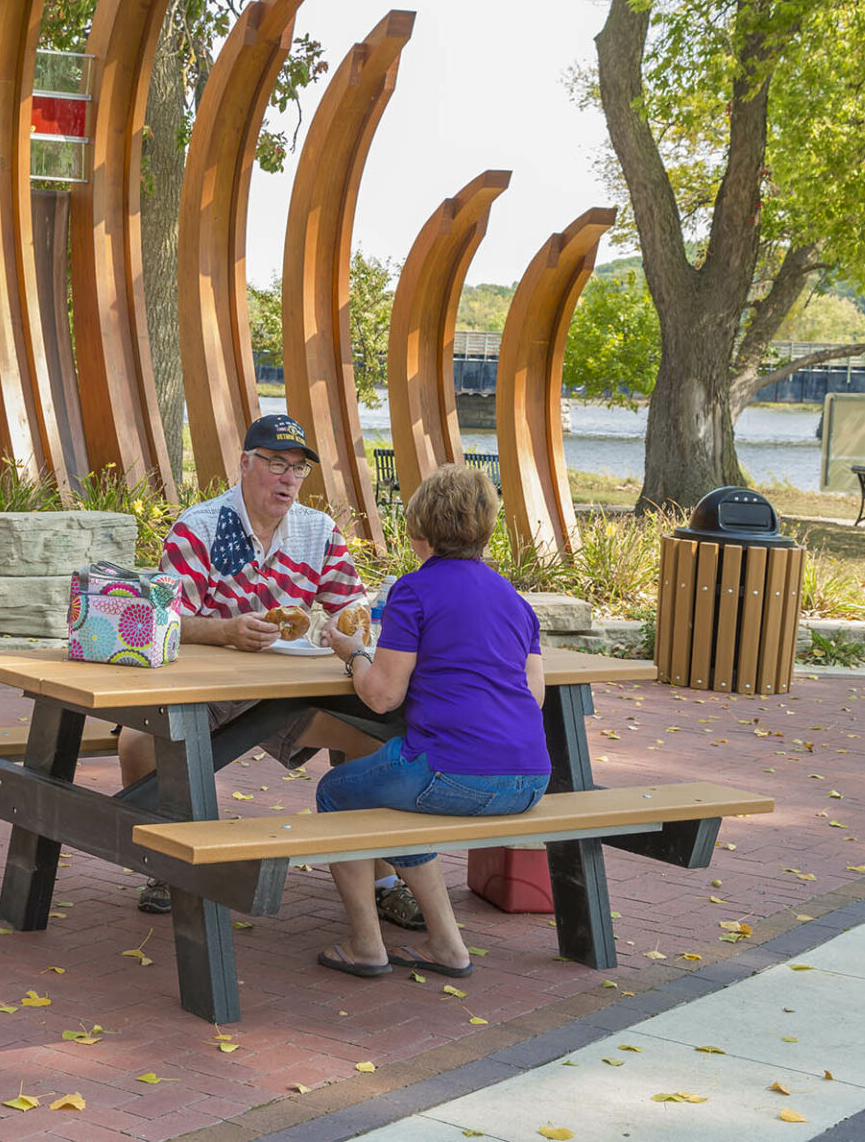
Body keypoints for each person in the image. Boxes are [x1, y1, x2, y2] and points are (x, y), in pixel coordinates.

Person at [127, 414, 416, 920]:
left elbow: (352, 612)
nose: (288, 478)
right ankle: (167, 869)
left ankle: (384, 880)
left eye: (298, 469)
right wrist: (225, 631)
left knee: (373, 740)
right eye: (276, 463)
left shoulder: (318, 531)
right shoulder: (199, 528)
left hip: (290, 692)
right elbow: (163, 617)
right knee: (140, 742)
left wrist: (347, 633)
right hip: (206, 687)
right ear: (245, 463)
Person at [315, 464, 550, 978]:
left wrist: (353, 652)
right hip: (530, 780)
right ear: (487, 527)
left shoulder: (414, 591)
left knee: (335, 793)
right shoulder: (515, 601)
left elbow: (381, 696)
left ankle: (366, 947)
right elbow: (533, 696)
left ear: (418, 532)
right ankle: (447, 946)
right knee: (397, 798)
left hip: (452, 774)